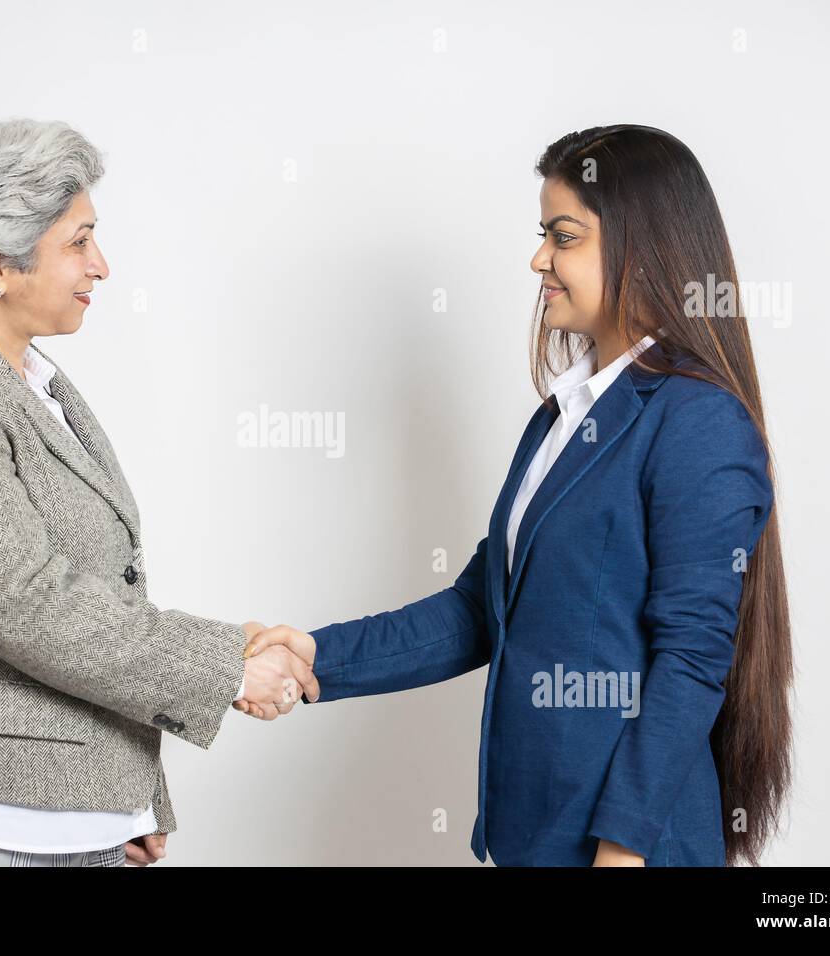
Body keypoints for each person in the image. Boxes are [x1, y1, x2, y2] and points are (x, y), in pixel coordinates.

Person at [243, 125, 793, 867]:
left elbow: (692, 662)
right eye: (544, 235)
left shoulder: (697, 422)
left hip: (626, 850)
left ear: (644, 245)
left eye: (563, 237)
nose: (539, 259)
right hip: (533, 834)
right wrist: (317, 655)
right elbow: (481, 609)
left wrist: (622, 850)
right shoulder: (561, 418)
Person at [0, 118, 318, 868]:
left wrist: (120, 795)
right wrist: (228, 666)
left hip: (57, 824)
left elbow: (98, 594)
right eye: (78, 241)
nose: (101, 265)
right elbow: (25, 600)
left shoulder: (24, 380)